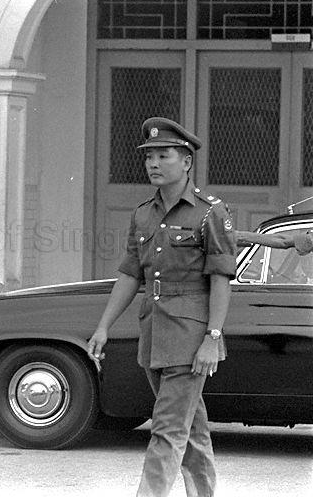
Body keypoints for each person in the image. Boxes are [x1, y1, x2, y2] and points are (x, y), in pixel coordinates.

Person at [87, 118, 235, 497]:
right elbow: (130, 274)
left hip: (190, 339)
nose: (153, 163)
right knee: (192, 430)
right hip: (154, 334)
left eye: (163, 155)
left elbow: (220, 279)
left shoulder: (208, 212)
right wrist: (103, 327)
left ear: (185, 162)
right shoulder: (143, 214)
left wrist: (211, 338)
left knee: (167, 430)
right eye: (149, 156)